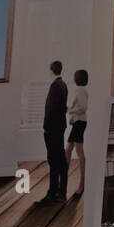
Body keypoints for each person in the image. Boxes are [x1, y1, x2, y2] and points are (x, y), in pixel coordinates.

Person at [41, 60, 68, 203]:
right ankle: (61, 192)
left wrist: (46, 127)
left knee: (53, 160)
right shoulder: (63, 85)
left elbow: (50, 109)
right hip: (59, 127)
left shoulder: (55, 86)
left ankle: (52, 193)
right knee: (61, 160)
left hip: (53, 129)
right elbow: (63, 108)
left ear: (52, 70)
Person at [65, 68, 88, 200]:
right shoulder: (80, 90)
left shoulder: (80, 91)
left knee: (79, 152)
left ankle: (81, 186)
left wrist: (70, 110)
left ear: (77, 78)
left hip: (79, 122)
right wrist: (70, 109)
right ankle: (64, 179)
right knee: (68, 150)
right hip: (78, 123)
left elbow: (83, 108)